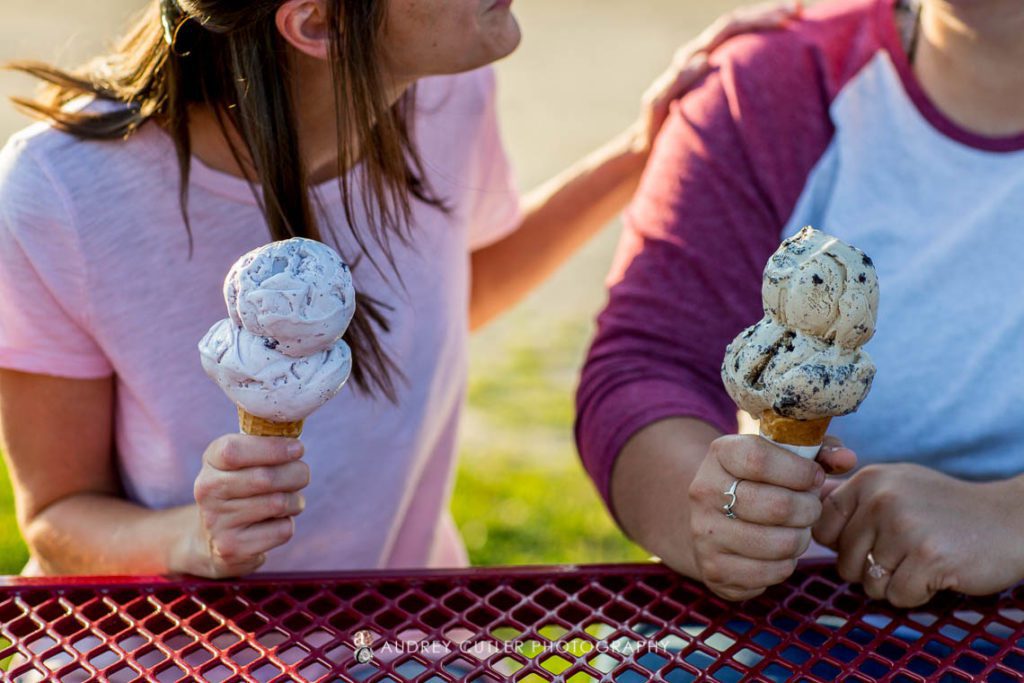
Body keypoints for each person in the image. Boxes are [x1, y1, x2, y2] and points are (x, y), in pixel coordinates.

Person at [0, 0, 798, 577]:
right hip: (183, 643)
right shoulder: (63, 191)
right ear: (319, 24)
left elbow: (452, 290)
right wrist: (188, 539)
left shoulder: (444, 87)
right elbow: (55, 514)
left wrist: (642, 149)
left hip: (404, 626)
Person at [577, 0, 1024, 607]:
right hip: (784, 621)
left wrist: (1010, 514)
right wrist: (720, 520)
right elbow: (649, 366)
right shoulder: (765, 87)